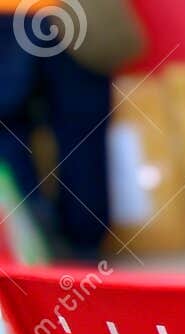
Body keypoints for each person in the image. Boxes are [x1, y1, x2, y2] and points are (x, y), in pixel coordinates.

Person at [0, 0, 142, 259]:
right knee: (84, 135)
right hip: (71, 14)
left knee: (8, 133)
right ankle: (82, 248)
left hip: (19, 16)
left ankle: (30, 243)